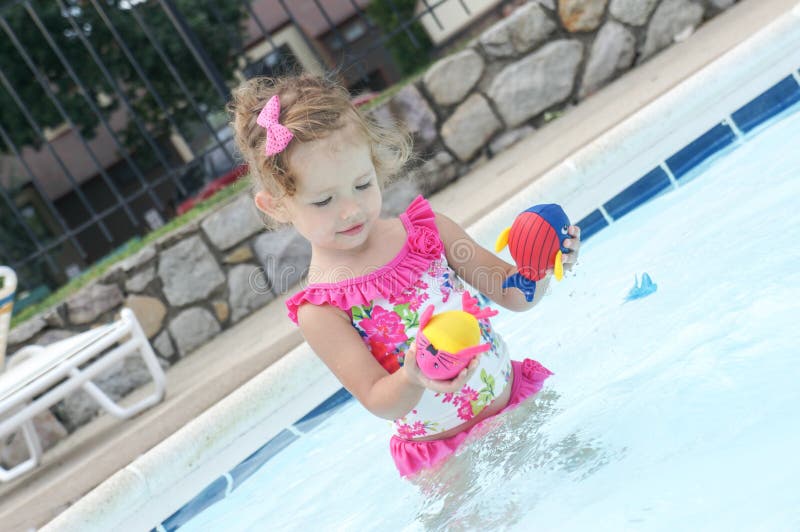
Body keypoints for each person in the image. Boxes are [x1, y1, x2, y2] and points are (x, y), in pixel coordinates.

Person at [228, 74, 581, 477]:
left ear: (375, 165)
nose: (351, 209)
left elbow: (514, 294)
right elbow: (380, 400)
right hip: (449, 463)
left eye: (363, 184)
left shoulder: (429, 233)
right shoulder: (322, 310)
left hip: (514, 402)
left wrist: (540, 266)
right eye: (324, 200)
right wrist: (414, 374)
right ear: (276, 205)